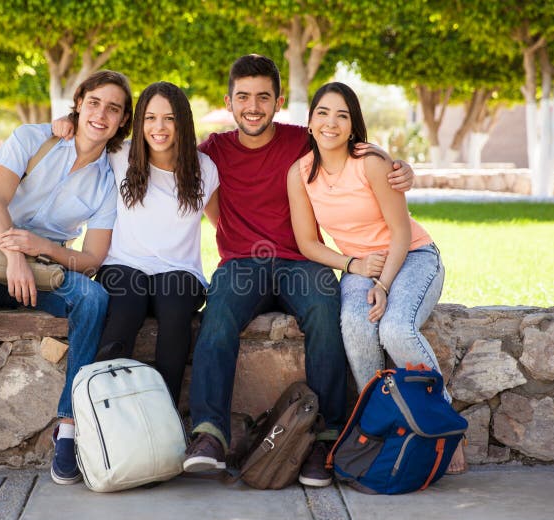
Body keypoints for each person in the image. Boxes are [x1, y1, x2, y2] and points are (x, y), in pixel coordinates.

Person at [180, 54, 415, 488]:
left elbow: (355, 147)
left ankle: (325, 437)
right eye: (244, 97)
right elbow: (174, 170)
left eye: (263, 97)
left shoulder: (300, 141)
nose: (253, 106)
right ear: (228, 101)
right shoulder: (212, 150)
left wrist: (400, 165)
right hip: (242, 264)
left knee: (327, 317)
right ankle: (209, 434)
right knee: (217, 320)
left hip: (301, 260)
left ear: (279, 101)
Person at [0, 70, 132, 486]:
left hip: (46, 268)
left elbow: (92, 257)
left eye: (113, 109)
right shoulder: (33, 137)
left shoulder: (108, 181)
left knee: (93, 299)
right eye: (94, 103)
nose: (101, 114)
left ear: (122, 120)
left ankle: (69, 425)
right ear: (78, 101)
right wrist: (13, 256)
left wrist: (42, 249)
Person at [286, 81, 466, 475]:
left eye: (342, 115)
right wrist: (353, 265)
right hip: (360, 266)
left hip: (413, 257)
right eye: (323, 113)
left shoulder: (371, 162)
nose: (331, 122)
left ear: (353, 127)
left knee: (396, 330)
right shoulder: (299, 174)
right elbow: (307, 243)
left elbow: (401, 232)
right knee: (354, 324)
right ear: (310, 121)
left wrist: (383, 285)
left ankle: (443, 423)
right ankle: (384, 421)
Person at [90, 81, 219, 404]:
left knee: (175, 312)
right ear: (138, 122)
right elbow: (82, 137)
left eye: (169, 118)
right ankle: (105, 413)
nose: (158, 127)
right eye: (150, 118)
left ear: (183, 122)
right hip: (123, 264)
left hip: (180, 270)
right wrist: (61, 122)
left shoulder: (204, 169)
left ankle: (164, 415)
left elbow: (222, 224)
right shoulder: (119, 155)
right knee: (125, 308)